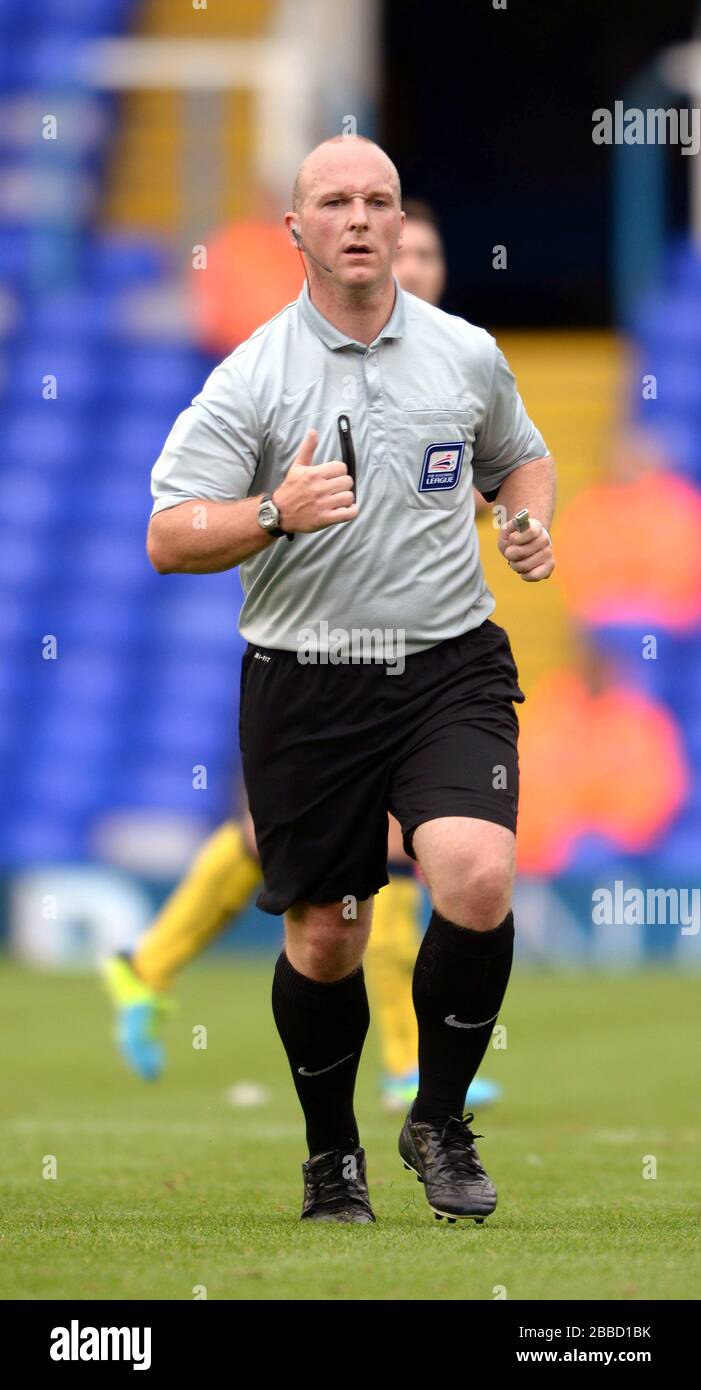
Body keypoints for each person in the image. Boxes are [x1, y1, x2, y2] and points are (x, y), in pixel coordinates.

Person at [147, 135, 556, 1224]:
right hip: (308, 682)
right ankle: (332, 1154)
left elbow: (520, 454)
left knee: (473, 875)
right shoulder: (250, 376)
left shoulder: (463, 352)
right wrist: (273, 511)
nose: (361, 218)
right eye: (335, 201)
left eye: (378, 199)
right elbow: (169, 534)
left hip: (446, 664)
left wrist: (524, 517)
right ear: (297, 230)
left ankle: (438, 1116)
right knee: (325, 935)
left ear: (399, 225)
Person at [104, 201, 501, 1113]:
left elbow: (482, 482)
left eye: (437, 251)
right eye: (423, 248)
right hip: (304, 651)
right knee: (325, 865)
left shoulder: (454, 365)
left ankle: (151, 967)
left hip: (416, 658)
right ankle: (395, 1062)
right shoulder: (292, 366)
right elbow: (186, 525)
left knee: (354, 858)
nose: (428, 266)